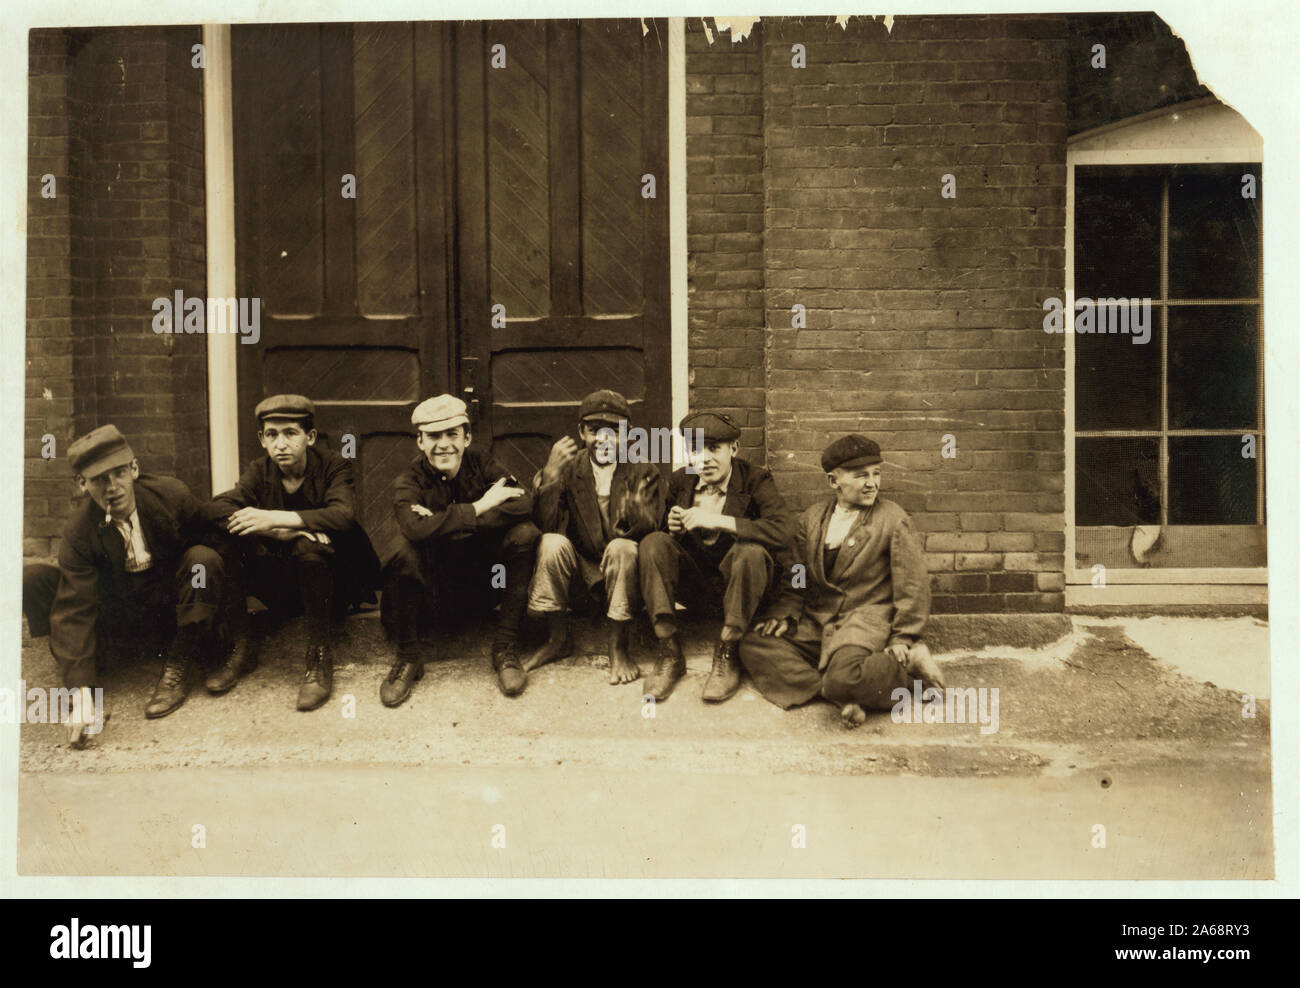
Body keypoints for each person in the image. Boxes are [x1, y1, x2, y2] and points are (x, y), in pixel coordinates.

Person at [22, 425, 225, 745]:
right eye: (99, 479)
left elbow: (214, 544)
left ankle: (178, 663)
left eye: (118, 473)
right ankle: (85, 665)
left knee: (202, 559)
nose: (112, 487)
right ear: (82, 484)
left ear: (134, 468)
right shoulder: (79, 530)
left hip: (168, 610)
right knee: (32, 578)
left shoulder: (170, 496)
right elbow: (74, 608)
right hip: (118, 615)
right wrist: (81, 694)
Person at [738, 434, 944, 725]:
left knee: (845, 674)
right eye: (861, 476)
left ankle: (908, 671)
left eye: (876, 474)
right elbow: (798, 573)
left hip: (863, 620)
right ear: (834, 482)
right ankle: (836, 693)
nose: (871, 483)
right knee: (753, 643)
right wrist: (787, 612)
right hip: (819, 620)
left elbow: (913, 586)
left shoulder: (892, 520)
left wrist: (904, 637)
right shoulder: (812, 519)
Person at [203, 395, 380, 712]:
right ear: (262, 440)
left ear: (309, 437)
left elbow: (342, 516)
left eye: (290, 433)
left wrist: (275, 517)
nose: (280, 444)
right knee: (227, 539)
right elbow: (217, 507)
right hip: (288, 585)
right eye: (271, 435)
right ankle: (242, 646)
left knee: (309, 547)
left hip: (336, 585)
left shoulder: (334, 465)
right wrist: (276, 529)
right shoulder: (261, 470)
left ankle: (319, 657)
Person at [380, 394, 540, 704]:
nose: (443, 444)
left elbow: (523, 502)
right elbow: (414, 528)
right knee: (402, 550)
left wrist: (446, 524)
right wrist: (481, 505)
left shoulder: (481, 462)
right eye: (434, 436)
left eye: (452, 434)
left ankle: (505, 647)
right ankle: (408, 656)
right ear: (420, 442)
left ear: (466, 437)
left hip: (480, 587)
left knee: (525, 534)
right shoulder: (408, 480)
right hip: (432, 595)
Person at [638, 411, 792, 702]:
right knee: (653, 543)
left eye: (714, 449)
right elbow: (662, 546)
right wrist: (670, 529)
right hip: (698, 590)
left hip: (740, 592)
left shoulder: (756, 479)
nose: (704, 459)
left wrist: (718, 521)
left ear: (734, 448)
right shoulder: (681, 480)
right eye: (695, 449)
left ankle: (728, 653)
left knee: (750, 552)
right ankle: (669, 651)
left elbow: (784, 530)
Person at [525, 389, 667, 686]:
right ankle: (557, 638)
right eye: (594, 431)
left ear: (627, 435)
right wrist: (550, 476)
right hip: (582, 574)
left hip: (626, 575)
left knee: (621, 547)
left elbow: (648, 528)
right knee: (551, 543)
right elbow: (543, 525)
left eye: (614, 431)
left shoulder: (644, 471)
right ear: (581, 432)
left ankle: (618, 646)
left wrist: (630, 503)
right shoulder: (567, 470)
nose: (604, 440)